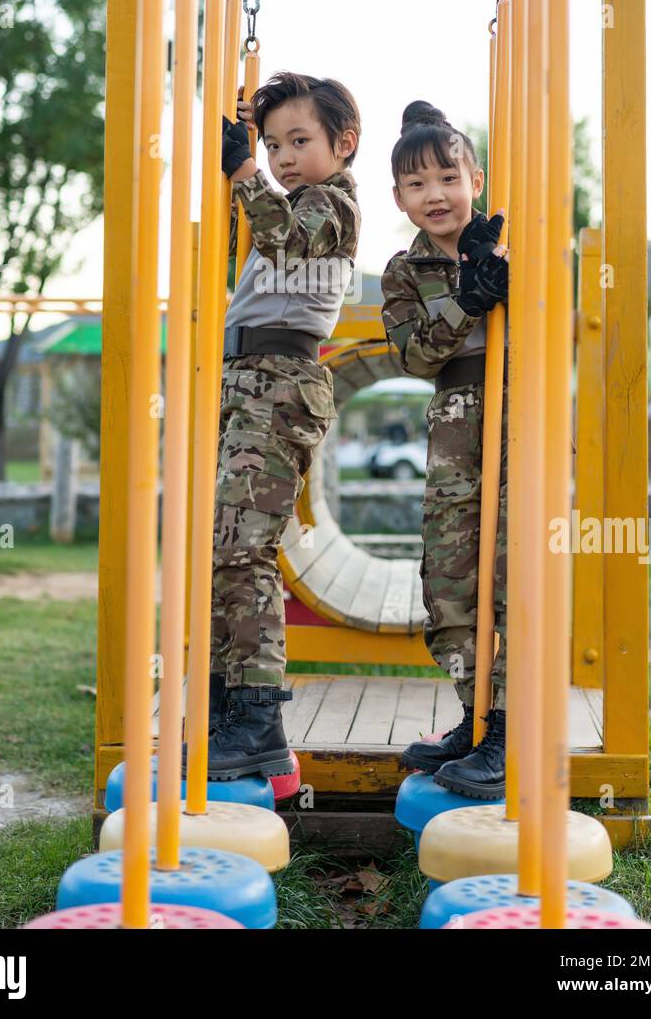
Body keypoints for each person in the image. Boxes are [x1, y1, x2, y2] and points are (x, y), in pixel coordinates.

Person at [198, 71, 361, 779]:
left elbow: (285, 239)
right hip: (246, 378)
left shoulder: (332, 205)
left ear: (343, 143)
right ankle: (226, 701)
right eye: (270, 145)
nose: (282, 157)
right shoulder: (291, 199)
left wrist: (242, 170)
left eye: (299, 141)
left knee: (244, 549)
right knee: (224, 547)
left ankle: (258, 718)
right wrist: (246, 146)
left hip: (280, 381)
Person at [381, 100, 508, 797]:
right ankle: (476, 714)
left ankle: (510, 729)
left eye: (448, 178)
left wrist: (496, 272)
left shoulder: (511, 242)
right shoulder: (405, 272)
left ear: (475, 180)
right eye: (417, 183)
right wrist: (469, 297)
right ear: (398, 197)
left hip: (518, 420)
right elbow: (414, 356)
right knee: (448, 584)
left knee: (513, 578)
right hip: (455, 434)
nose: (435, 194)